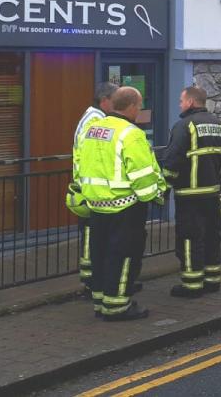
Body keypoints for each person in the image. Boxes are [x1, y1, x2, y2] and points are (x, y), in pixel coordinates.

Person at [74, 86, 166, 320]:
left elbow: (81, 164)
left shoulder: (92, 130)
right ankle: (117, 307)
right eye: (140, 106)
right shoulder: (131, 133)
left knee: (100, 255)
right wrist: (156, 195)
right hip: (125, 208)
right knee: (124, 257)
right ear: (133, 107)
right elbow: (142, 175)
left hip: (96, 205)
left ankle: (100, 302)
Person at [160, 86, 221, 298]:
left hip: (189, 195)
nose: (180, 105)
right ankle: (212, 280)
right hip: (212, 194)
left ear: (190, 102)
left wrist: (164, 187)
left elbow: (172, 161)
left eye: (182, 101)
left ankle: (192, 284)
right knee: (211, 236)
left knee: (190, 239)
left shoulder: (184, 126)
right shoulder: (219, 125)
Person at [71, 82, 118, 296]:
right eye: (115, 100)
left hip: (90, 187)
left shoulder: (93, 118)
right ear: (105, 100)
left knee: (92, 236)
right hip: (92, 190)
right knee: (92, 237)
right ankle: (92, 281)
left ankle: (93, 279)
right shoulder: (95, 120)